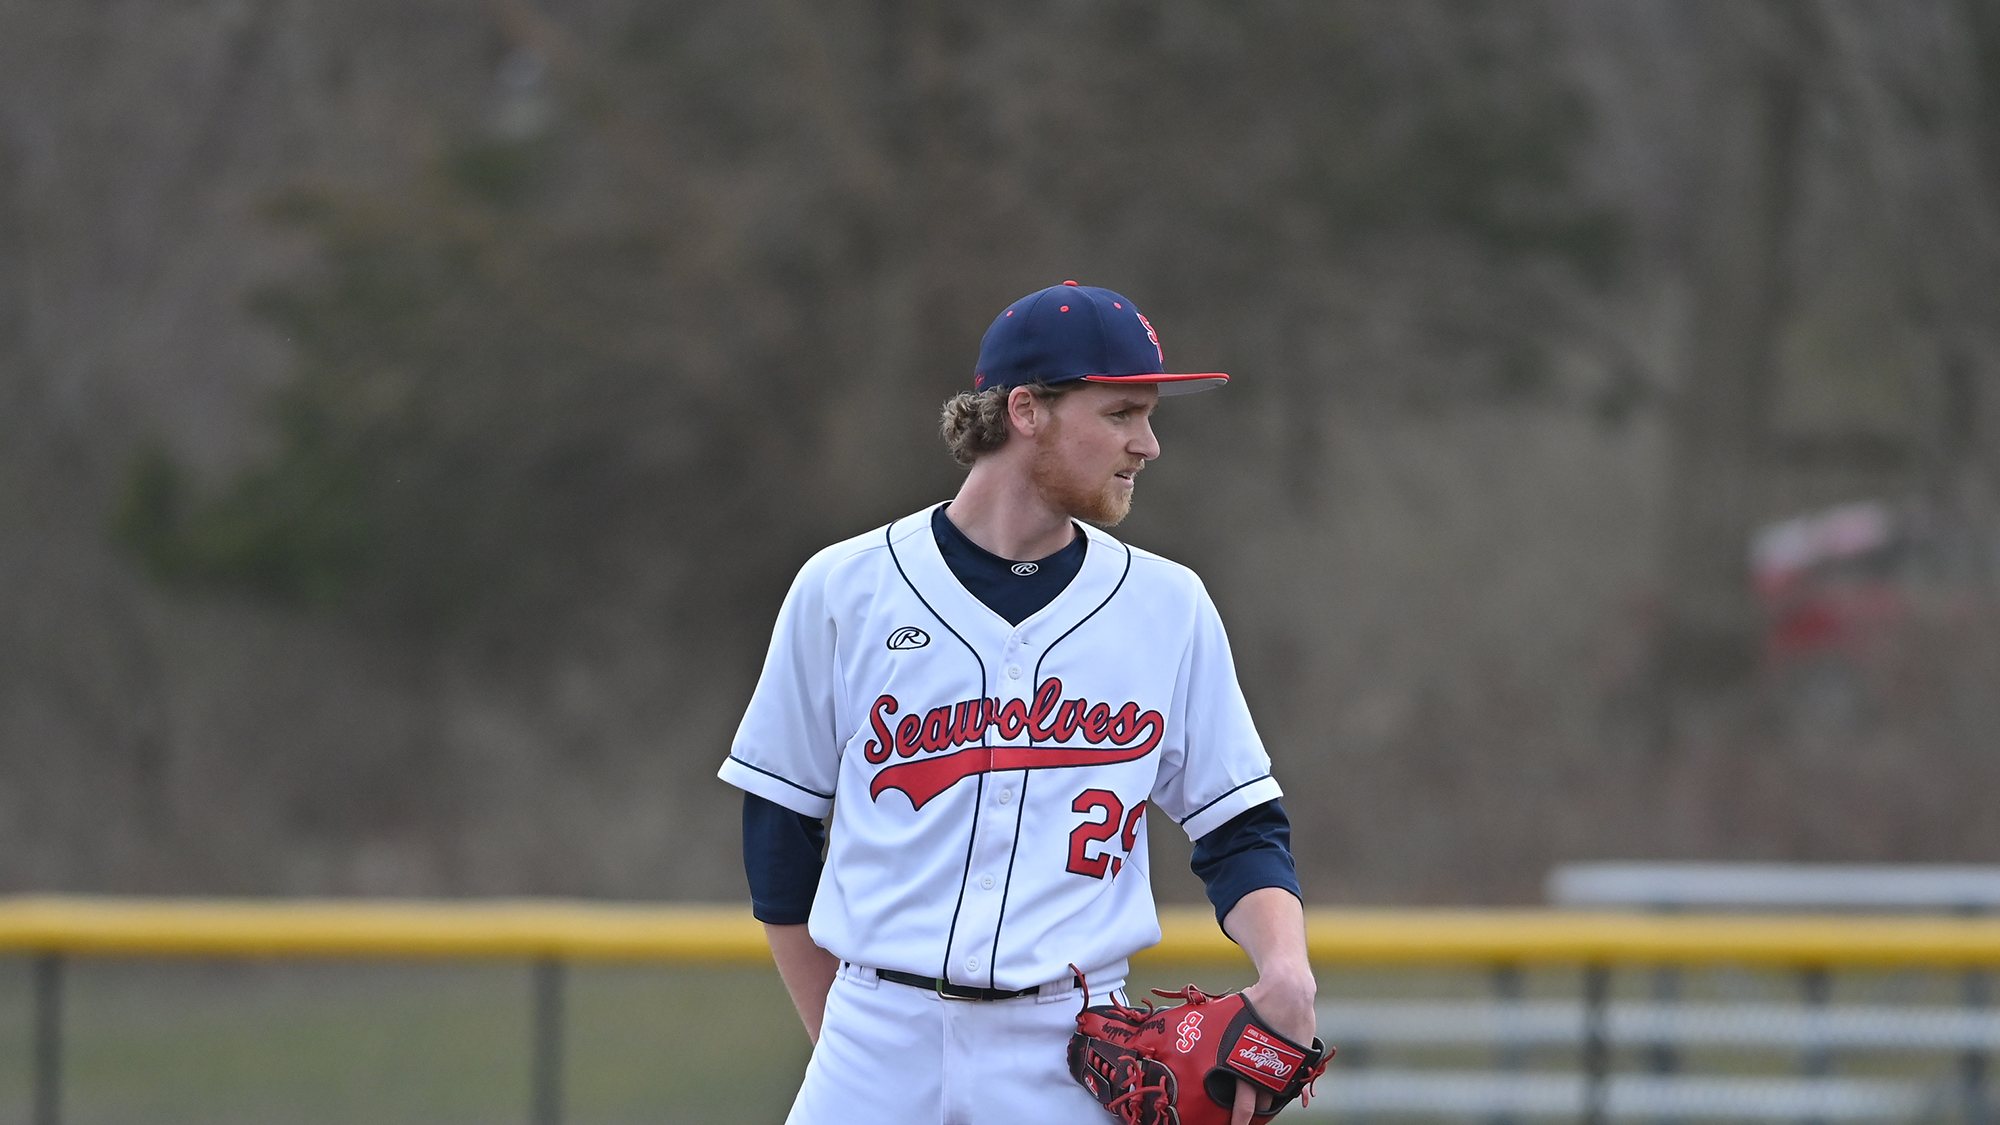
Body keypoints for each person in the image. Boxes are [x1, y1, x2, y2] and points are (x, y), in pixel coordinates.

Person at [718, 281, 1314, 1125]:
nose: (1147, 444)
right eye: (1120, 413)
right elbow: (778, 834)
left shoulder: (1167, 605)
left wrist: (1286, 968)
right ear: (1026, 410)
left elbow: (1239, 824)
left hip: (1068, 1046)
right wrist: (845, 1043)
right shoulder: (847, 587)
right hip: (873, 1031)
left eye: (1149, 416)